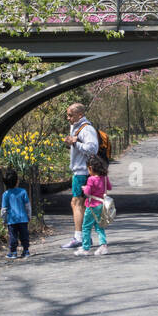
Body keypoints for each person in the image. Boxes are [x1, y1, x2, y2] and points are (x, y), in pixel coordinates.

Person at [60, 102, 100, 250]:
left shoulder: (87, 129)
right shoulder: (76, 127)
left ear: (80, 115)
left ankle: (79, 237)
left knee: (77, 203)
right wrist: (70, 142)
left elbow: (92, 148)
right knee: (80, 204)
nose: (68, 118)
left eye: (70, 115)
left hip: (82, 171)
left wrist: (75, 143)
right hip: (80, 171)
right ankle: (84, 235)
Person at [77, 153, 113, 256]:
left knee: (86, 227)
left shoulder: (91, 179)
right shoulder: (105, 178)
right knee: (100, 226)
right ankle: (103, 246)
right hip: (102, 205)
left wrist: (85, 188)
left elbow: (87, 193)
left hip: (92, 206)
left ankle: (85, 248)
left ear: (91, 168)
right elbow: (109, 187)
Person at [1, 170, 32, 260]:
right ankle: (26, 250)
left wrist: (4, 220)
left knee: (13, 236)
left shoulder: (5, 194)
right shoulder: (23, 192)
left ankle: (13, 252)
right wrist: (29, 216)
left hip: (12, 220)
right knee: (24, 235)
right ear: (17, 181)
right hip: (23, 219)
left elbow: (4, 210)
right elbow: (27, 206)